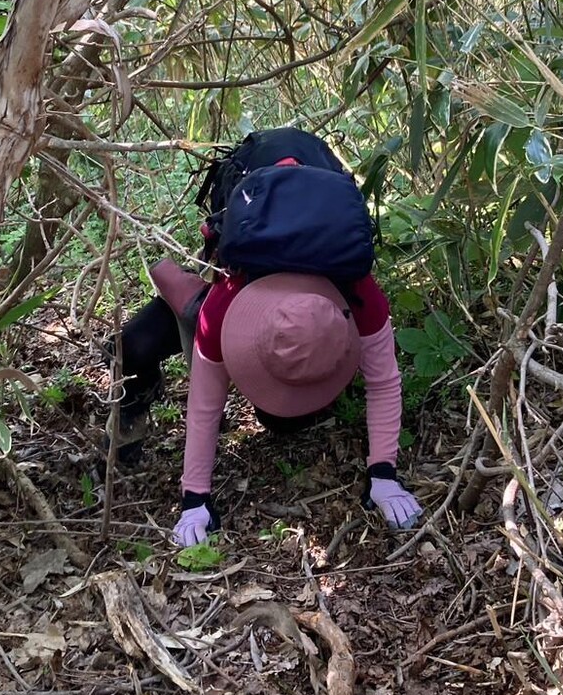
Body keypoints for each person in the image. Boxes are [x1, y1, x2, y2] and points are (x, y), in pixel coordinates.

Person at [105, 135, 423, 547]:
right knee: (133, 344)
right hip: (226, 285)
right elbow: (204, 405)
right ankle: (181, 308)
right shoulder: (225, 303)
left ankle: (188, 297)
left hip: (270, 281)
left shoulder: (359, 291)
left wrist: (384, 474)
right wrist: (194, 498)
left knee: (281, 421)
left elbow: (383, 381)